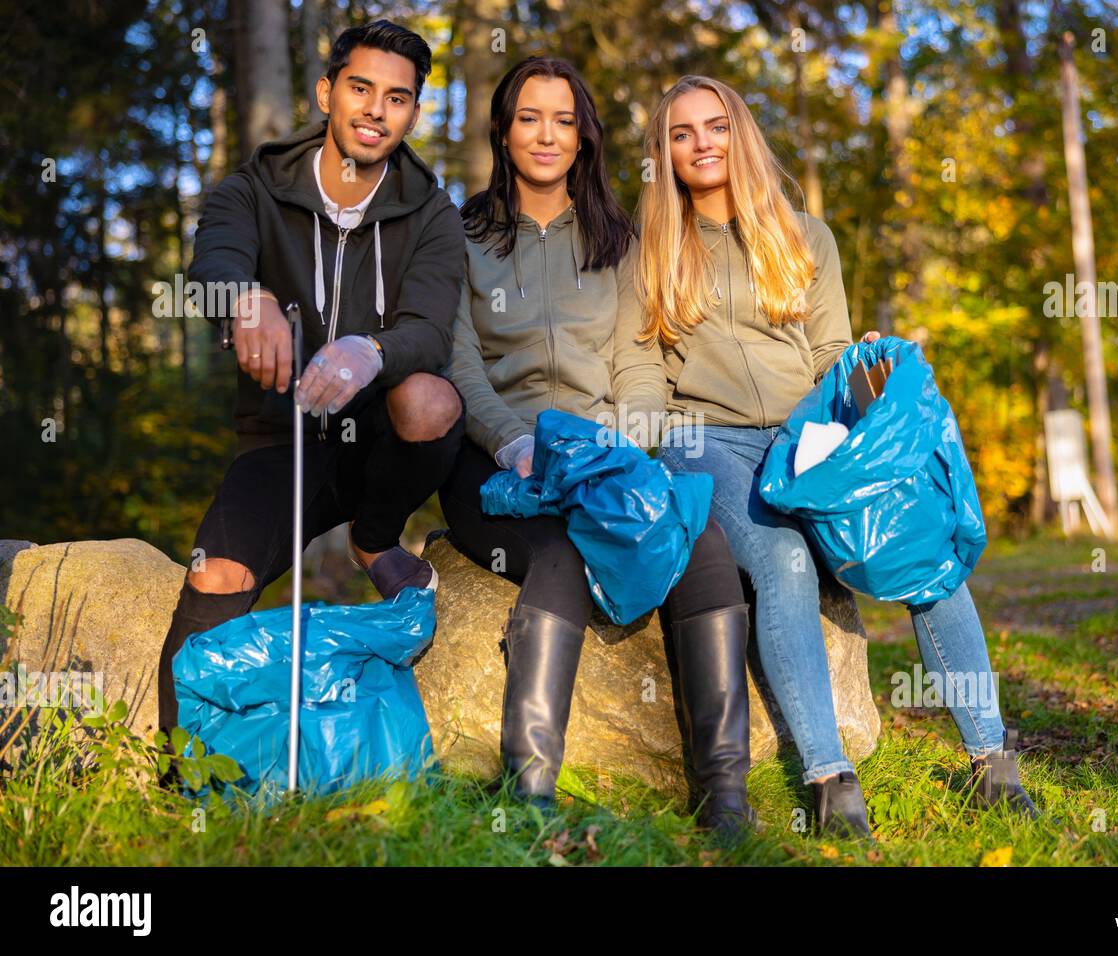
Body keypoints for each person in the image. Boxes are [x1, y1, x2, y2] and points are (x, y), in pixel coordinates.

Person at [632, 75, 1040, 838]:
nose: (701, 144)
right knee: (784, 562)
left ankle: (992, 762)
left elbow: (828, 358)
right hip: (705, 441)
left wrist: (869, 394)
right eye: (681, 133)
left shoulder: (805, 235)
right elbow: (644, 379)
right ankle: (830, 781)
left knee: (919, 546)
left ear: (740, 132)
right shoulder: (648, 251)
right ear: (664, 152)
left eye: (715, 126)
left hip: (802, 439)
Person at [442, 56, 755, 835]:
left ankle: (726, 800)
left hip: (606, 459)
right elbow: (460, 368)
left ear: (584, 136)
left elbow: (640, 367)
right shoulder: (458, 236)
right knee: (559, 554)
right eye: (529, 117)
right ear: (503, 131)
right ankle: (531, 798)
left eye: (563, 119)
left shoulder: (616, 241)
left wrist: (618, 443)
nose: (547, 134)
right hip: (497, 467)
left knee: (704, 545)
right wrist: (515, 444)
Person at [157, 20, 466, 741]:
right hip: (281, 439)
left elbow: (431, 329)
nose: (374, 110)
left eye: (397, 98)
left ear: (413, 112)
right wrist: (246, 299)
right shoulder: (254, 188)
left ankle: (374, 538)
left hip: (379, 440)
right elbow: (212, 269)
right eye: (361, 88)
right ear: (328, 91)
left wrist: (370, 350)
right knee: (216, 577)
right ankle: (177, 776)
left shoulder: (432, 212)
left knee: (430, 398)